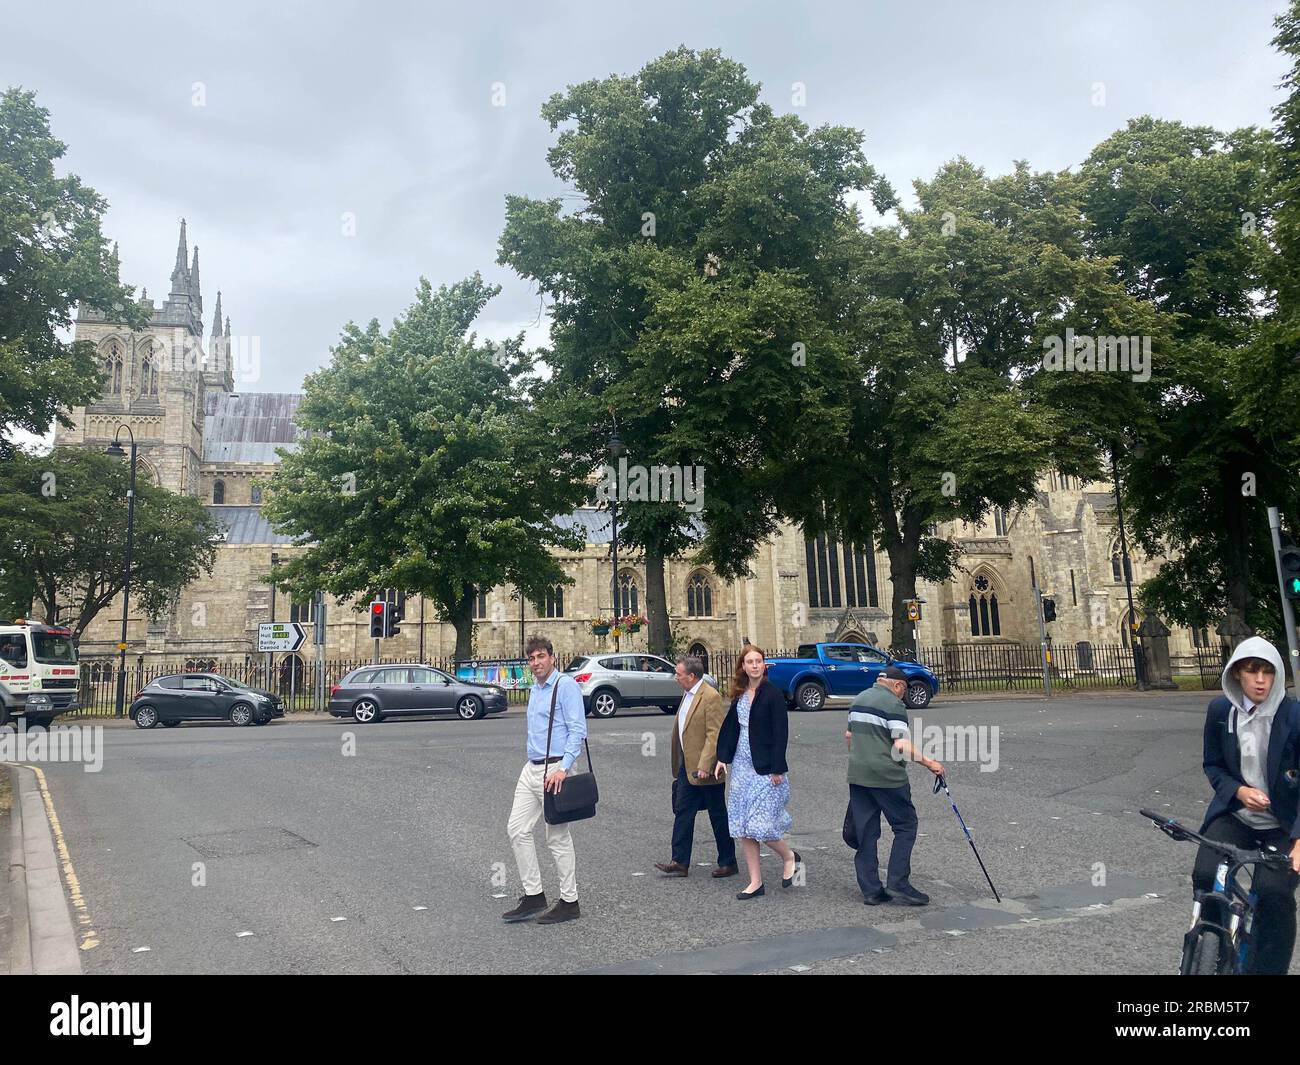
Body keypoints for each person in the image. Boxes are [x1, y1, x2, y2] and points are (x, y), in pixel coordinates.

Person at [1194, 636, 1300, 974]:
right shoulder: (1220, 711)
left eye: (1267, 673)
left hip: (1284, 824)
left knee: (1274, 895)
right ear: (1237, 673)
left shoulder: (1295, 717)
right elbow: (1213, 765)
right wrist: (1239, 791)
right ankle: (1210, 945)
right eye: (1251, 671)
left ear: (1277, 675)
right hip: (1236, 816)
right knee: (1206, 873)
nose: (1259, 681)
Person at [502, 635, 587, 925]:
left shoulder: (565, 686)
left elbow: (578, 730)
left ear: (552, 657)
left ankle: (569, 901)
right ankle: (534, 895)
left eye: (541, 656)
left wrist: (563, 768)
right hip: (532, 768)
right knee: (517, 829)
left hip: (554, 770)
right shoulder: (536, 688)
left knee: (557, 837)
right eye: (531, 658)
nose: (536, 662)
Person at [845, 666, 945, 906]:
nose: (904, 695)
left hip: (858, 774)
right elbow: (900, 744)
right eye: (904, 690)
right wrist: (930, 763)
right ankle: (898, 882)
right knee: (905, 825)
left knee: (866, 831)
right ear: (898, 685)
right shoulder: (893, 705)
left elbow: (849, 737)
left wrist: (862, 758)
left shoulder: (859, 699)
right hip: (887, 776)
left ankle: (871, 890)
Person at [715, 644, 801, 900]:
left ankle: (788, 856)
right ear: (743, 666)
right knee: (743, 827)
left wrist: (777, 768)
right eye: (749, 661)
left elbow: (780, 733)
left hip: (764, 767)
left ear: (764, 665)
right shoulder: (740, 694)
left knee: (760, 826)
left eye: (758, 661)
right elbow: (731, 728)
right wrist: (722, 758)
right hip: (741, 766)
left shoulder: (773, 694)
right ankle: (755, 882)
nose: (754, 665)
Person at [655, 655, 737, 879]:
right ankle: (680, 861)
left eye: (679, 674)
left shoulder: (710, 696)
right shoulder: (688, 693)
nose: (676, 678)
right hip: (686, 765)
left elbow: (714, 734)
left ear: (691, 676)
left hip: (705, 768)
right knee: (683, 811)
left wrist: (705, 765)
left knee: (717, 814)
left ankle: (728, 861)